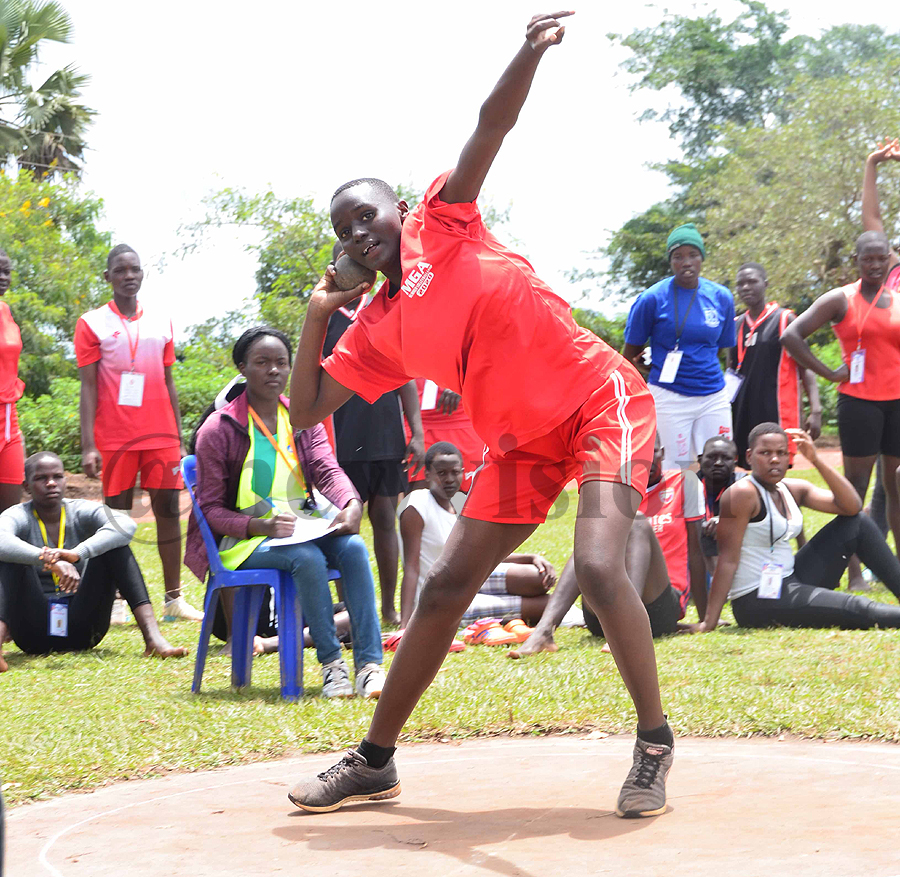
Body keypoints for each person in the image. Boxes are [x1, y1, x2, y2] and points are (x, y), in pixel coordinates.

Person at [287, 12, 671, 820]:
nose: (360, 229)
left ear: (397, 207)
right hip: (520, 442)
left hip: (600, 402)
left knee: (600, 567)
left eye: (368, 212)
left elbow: (489, 127)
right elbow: (309, 406)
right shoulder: (375, 328)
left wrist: (527, 52)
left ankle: (654, 740)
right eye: (345, 228)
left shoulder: (443, 220)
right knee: (442, 589)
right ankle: (375, 759)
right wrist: (320, 313)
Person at [185, 326, 386, 699]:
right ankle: (332, 667)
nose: (274, 371)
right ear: (242, 368)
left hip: (300, 528)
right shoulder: (220, 428)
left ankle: (370, 666)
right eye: (262, 363)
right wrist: (257, 524)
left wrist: (351, 502)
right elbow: (211, 509)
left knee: (355, 548)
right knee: (307, 559)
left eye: (281, 363)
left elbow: (327, 469)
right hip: (242, 540)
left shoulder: (302, 418)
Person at [75, 244, 203, 622]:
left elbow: (168, 380)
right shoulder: (92, 323)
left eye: (135, 269)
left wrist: (178, 438)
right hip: (114, 438)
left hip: (160, 435)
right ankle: (115, 600)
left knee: (167, 511)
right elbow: (87, 387)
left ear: (142, 274)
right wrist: (87, 445)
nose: (129, 276)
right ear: (107, 277)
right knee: (115, 518)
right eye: (120, 270)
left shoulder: (161, 321)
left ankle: (174, 599)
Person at [506, 433, 707, 658]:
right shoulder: (614, 488)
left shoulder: (684, 483)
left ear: (663, 453)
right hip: (601, 617)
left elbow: (697, 550)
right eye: (640, 453)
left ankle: (629, 624)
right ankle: (544, 632)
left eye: (653, 451)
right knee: (590, 537)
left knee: (637, 521)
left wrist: (706, 617)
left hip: (659, 606)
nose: (648, 459)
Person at [691, 423, 900, 632]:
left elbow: (852, 506)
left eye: (781, 453)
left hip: (791, 578)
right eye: (765, 453)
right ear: (749, 457)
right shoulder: (741, 494)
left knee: (857, 523)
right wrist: (709, 621)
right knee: (856, 607)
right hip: (758, 599)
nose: (774, 459)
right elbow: (727, 561)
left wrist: (816, 459)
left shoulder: (789, 488)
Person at [781, 231, 900, 589]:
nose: (876, 265)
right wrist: (830, 373)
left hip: (896, 403)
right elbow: (791, 335)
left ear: (890, 259)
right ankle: (853, 573)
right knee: (855, 490)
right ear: (857, 261)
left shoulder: (897, 299)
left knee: (896, 487)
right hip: (860, 404)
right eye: (869, 259)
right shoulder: (840, 298)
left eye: (882, 258)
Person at [0, 452, 188, 670]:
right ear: (26, 486)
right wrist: (48, 559)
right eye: (42, 478)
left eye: (57, 476)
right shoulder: (18, 515)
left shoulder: (80, 510)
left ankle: (154, 640)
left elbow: (125, 526)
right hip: (33, 632)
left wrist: (79, 552)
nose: (51, 483)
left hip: (85, 628)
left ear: (65, 480)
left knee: (116, 548)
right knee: (8, 559)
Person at [324, 243, 425, 625]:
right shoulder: (327, 312)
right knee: (347, 519)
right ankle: (348, 606)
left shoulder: (387, 305)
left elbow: (406, 376)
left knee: (385, 517)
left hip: (385, 433)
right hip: (343, 433)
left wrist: (415, 432)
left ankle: (387, 606)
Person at [398, 442, 555, 628]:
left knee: (537, 578)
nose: (449, 479)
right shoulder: (416, 505)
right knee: (544, 604)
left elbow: (481, 552)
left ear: (463, 472)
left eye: (455, 472)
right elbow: (412, 567)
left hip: (469, 575)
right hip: (445, 593)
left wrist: (530, 558)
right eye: (441, 473)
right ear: (428, 474)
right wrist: (405, 625)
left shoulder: (461, 501)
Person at [622, 223, 736, 470]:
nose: (686, 262)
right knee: (677, 468)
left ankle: (716, 510)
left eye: (693, 255)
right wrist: (654, 373)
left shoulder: (721, 297)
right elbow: (629, 356)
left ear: (702, 258)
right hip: (669, 397)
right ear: (670, 261)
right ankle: (681, 510)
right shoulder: (651, 299)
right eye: (678, 257)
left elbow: (724, 348)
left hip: (713, 395)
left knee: (720, 464)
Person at [729, 263, 821, 467]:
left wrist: (816, 409)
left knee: (774, 466)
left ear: (765, 284)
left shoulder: (784, 320)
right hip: (743, 408)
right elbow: (730, 369)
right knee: (745, 465)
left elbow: (805, 368)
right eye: (740, 284)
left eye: (752, 281)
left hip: (776, 410)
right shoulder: (735, 324)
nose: (746, 287)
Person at [405, 378, 485, 493]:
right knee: (418, 499)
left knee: (469, 500)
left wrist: (463, 382)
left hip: (460, 420)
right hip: (418, 425)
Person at [0, 250, 25, 513]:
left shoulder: (5, 311)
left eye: (6, 271)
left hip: (9, 421)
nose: (2, 277)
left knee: (8, 518)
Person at [697, 436, 741, 574]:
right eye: (711, 457)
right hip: (693, 551)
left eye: (726, 458)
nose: (718, 463)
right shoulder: (685, 486)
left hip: (732, 551)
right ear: (700, 460)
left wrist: (726, 521)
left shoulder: (743, 487)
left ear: (735, 462)